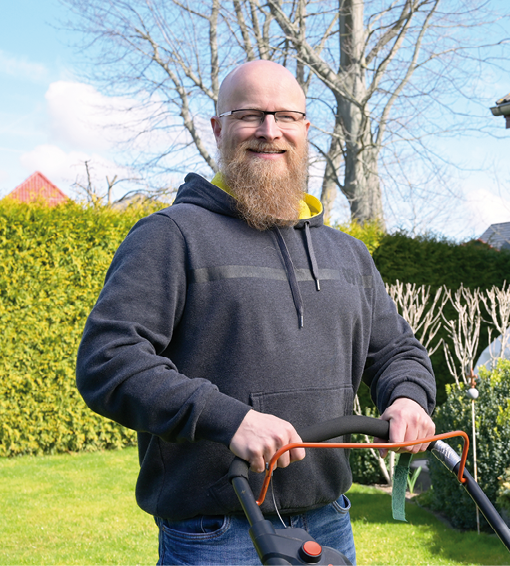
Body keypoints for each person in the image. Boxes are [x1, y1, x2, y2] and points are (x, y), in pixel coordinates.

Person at [76, 60, 436, 566]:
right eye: (250, 115)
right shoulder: (172, 235)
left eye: (286, 116)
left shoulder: (347, 254)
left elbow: (397, 351)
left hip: (331, 518)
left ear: (306, 129)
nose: (270, 131)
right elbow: (109, 360)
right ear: (219, 128)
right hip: (216, 532)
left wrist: (407, 397)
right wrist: (229, 419)